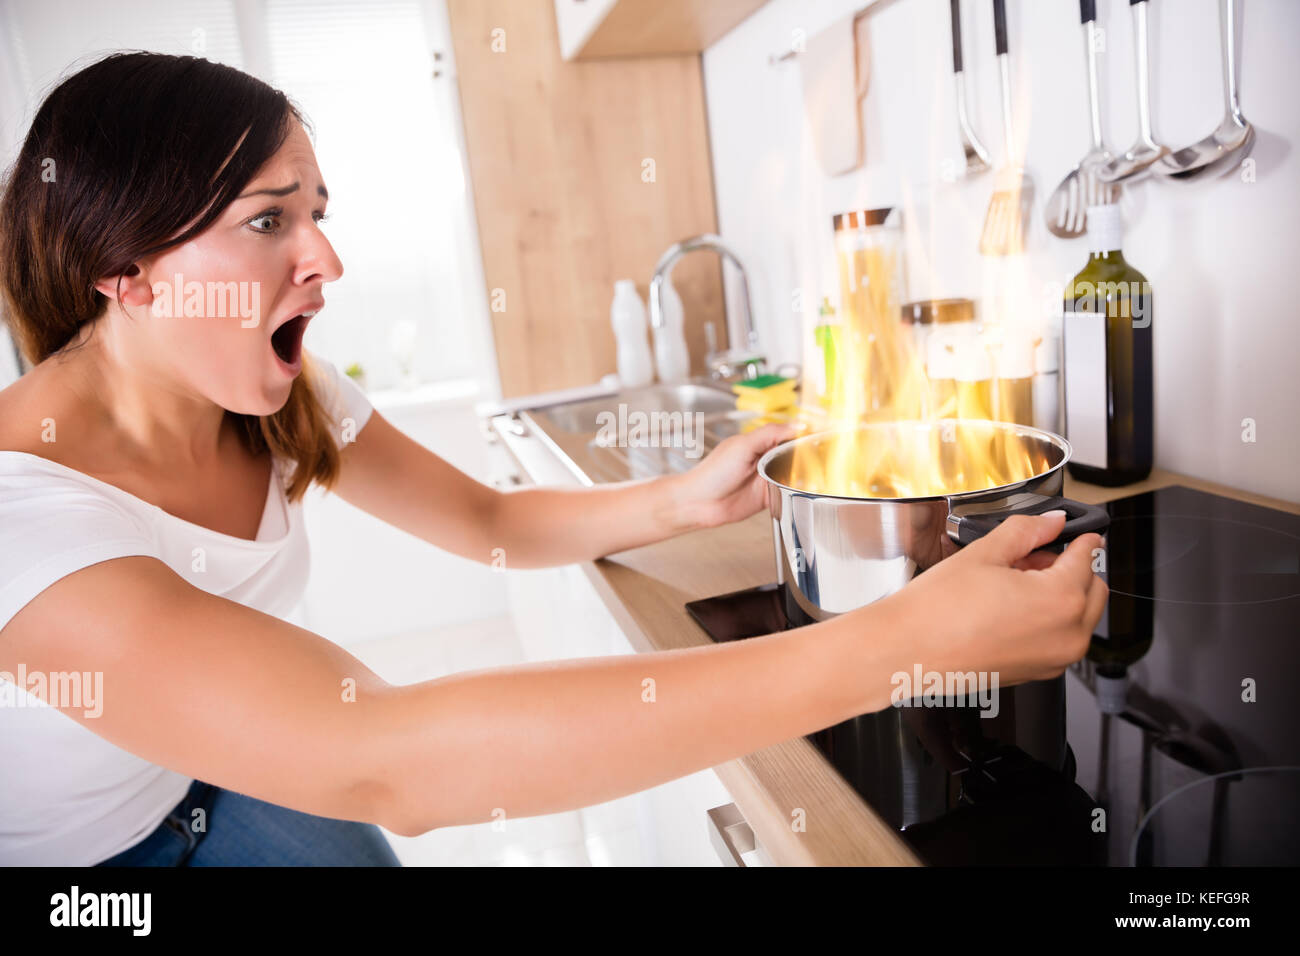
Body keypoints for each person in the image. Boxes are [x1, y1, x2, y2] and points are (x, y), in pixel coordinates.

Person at [0, 52, 1107, 866]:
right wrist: (903, 641)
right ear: (129, 272)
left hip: (220, 774)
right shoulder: (24, 516)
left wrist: (679, 499)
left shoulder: (277, 398)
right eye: (266, 221)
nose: (325, 258)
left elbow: (490, 523)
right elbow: (389, 758)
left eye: (319, 214)